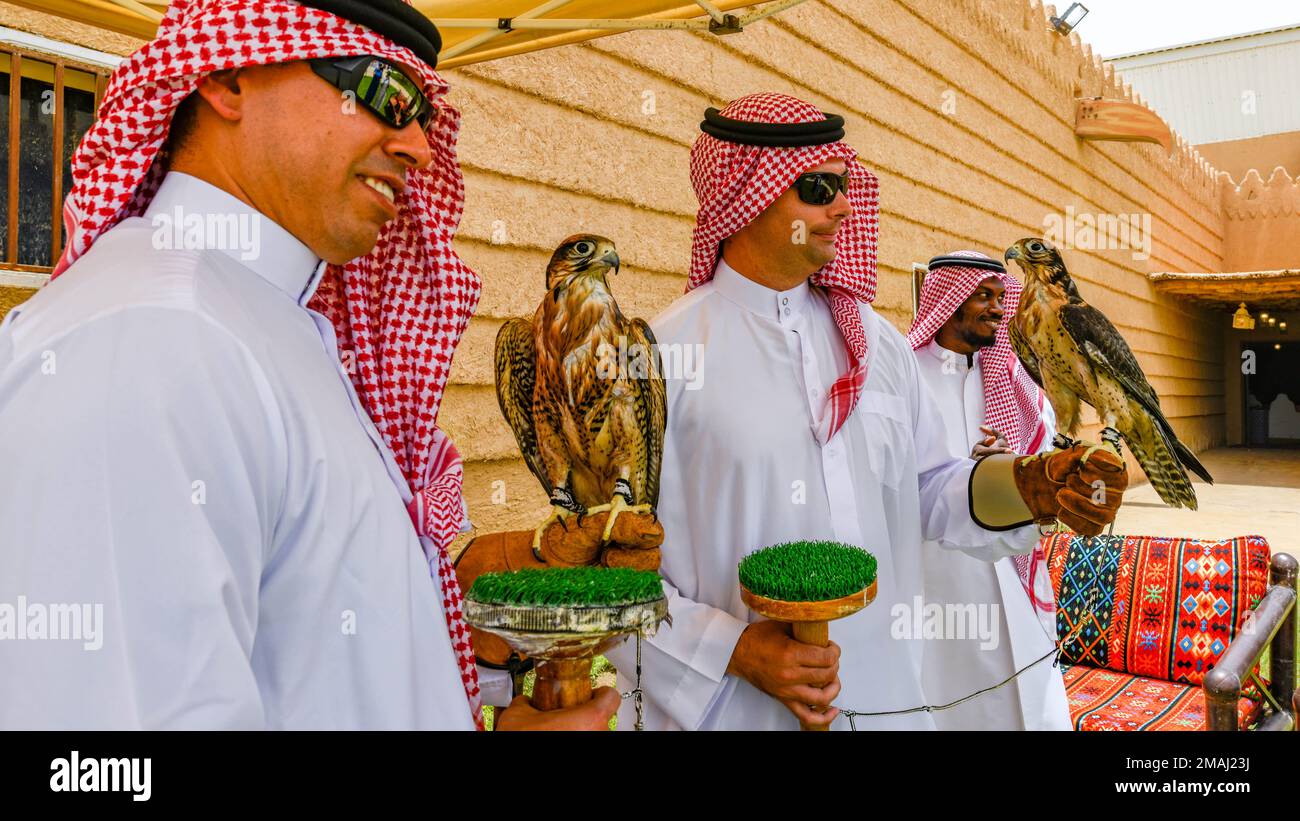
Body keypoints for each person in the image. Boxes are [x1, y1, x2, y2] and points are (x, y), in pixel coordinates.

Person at [0, 0, 615, 731]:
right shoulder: (149, 341)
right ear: (230, 77)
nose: (417, 146)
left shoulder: (271, 324)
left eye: (423, 113)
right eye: (386, 96)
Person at [605, 93, 1127, 730]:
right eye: (819, 188)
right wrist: (732, 650)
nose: (843, 208)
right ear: (743, 196)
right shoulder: (660, 356)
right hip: (733, 711)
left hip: (889, 701)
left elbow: (932, 488)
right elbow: (610, 569)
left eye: (845, 186)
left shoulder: (878, 346)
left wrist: (1035, 487)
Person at [907, 250, 1069, 730]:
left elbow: (1037, 440)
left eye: (1002, 297)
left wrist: (1007, 461)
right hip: (927, 569)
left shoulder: (1006, 377)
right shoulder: (903, 372)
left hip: (1000, 561)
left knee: (1022, 691)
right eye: (983, 296)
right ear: (947, 299)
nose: (998, 308)